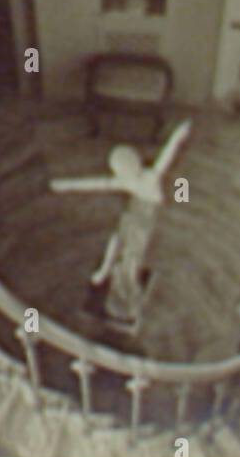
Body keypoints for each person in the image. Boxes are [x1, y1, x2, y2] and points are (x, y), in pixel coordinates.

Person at [50, 120, 192, 329]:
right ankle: (105, 271)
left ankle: (123, 302)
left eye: (119, 171)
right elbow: (97, 184)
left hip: (142, 226)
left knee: (128, 263)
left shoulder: (149, 178)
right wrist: (65, 185)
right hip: (133, 218)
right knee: (116, 243)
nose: (118, 176)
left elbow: (166, 157)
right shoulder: (130, 180)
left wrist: (178, 137)